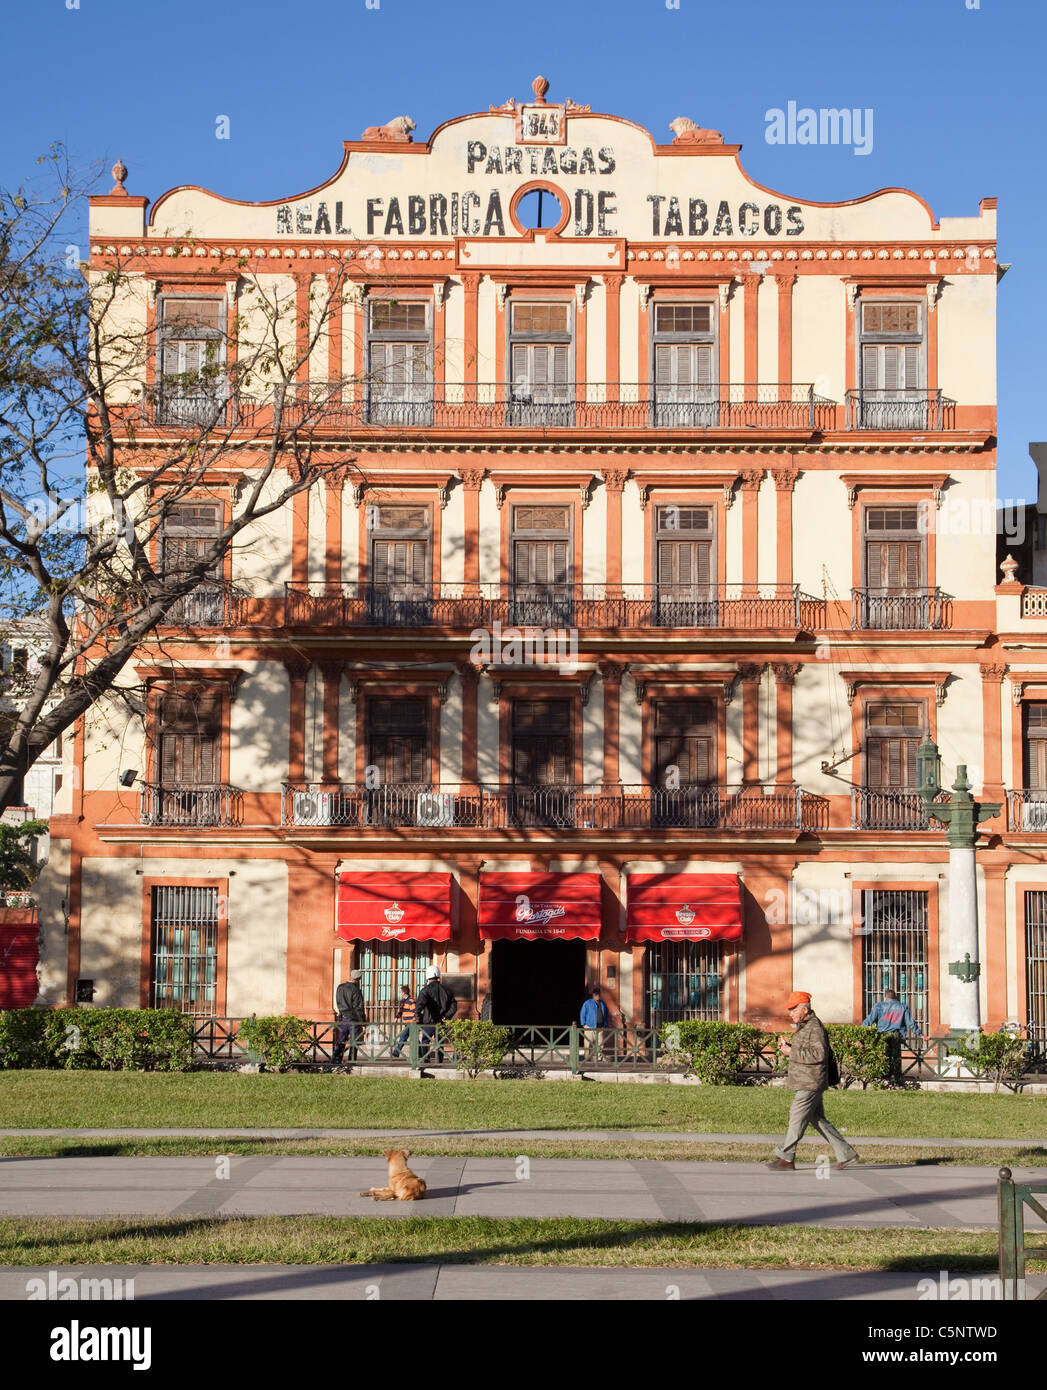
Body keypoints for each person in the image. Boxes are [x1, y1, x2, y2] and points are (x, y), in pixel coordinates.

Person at [767, 990, 859, 1171]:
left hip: (811, 1082)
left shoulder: (815, 1027)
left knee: (796, 1117)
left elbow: (819, 1054)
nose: (790, 1013)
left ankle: (786, 1157)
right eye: (790, 1010)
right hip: (807, 1080)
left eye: (794, 1010)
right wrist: (790, 1048)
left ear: (804, 1009)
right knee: (817, 1119)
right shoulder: (805, 1026)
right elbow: (807, 1051)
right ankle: (846, 1153)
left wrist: (791, 1052)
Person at [862, 990, 921, 1082]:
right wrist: (920, 1034)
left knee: (883, 1056)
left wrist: (860, 1032)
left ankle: (884, 1077)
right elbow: (911, 1023)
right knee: (896, 1057)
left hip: (882, 1035)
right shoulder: (902, 1006)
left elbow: (869, 1020)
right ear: (895, 998)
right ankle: (897, 1078)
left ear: (885, 998)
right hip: (896, 1034)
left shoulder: (879, 1006)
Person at [414, 965, 458, 1063]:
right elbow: (454, 1006)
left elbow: (419, 1005)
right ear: (438, 975)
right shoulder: (447, 990)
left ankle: (425, 1060)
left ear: (427, 976)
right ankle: (439, 1061)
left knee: (425, 1041)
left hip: (429, 1022)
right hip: (442, 1021)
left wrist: (417, 1016)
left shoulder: (425, 990)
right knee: (440, 1042)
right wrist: (446, 1016)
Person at [332, 969, 367, 1068]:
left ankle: (336, 1059)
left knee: (341, 1040)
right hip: (353, 1019)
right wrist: (363, 1022)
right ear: (358, 979)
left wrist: (341, 1012)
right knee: (354, 1041)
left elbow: (338, 1002)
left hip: (343, 1017)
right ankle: (351, 1061)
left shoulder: (340, 987)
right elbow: (359, 1007)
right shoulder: (356, 990)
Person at [580, 987, 610, 1060]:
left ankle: (599, 1058)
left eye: (598, 994)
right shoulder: (587, 1003)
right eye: (596, 995)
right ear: (593, 995)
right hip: (589, 1026)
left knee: (600, 1043)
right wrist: (583, 1024)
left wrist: (606, 1023)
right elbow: (582, 1013)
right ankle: (587, 1058)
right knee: (588, 1044)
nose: (597, 996)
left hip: (600, 1027)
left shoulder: (603, 1003)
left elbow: (606, 1014)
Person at [390, 985, 417, 1059]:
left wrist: (414, 1019)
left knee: (403, 1037)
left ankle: (396, 1052)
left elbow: (414, 1011)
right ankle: (421, 1054)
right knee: (414, 1039)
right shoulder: (403, 1001)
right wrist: (396, 1017)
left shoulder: (411, 1001)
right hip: (407, 1023)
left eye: (401, 992)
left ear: (404, 992)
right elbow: (401, 1011)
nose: (400, 993)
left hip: (411, 1023)